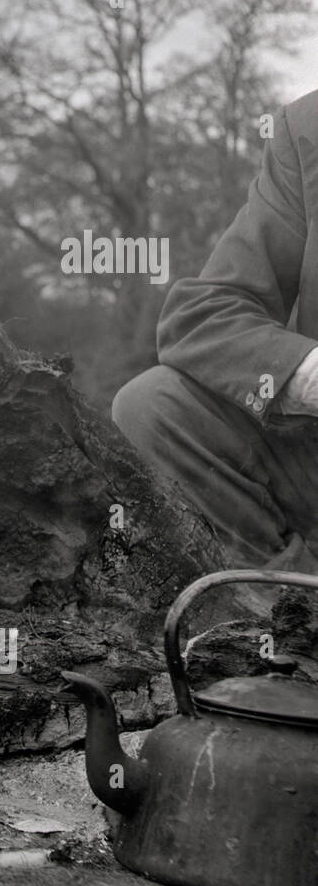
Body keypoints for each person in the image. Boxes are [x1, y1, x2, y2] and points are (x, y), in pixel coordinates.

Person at [113, 90, 318, 587]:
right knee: (152, 407)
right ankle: (286, 617)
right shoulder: (306, 129)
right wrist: (307, 374)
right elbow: (204, 316)